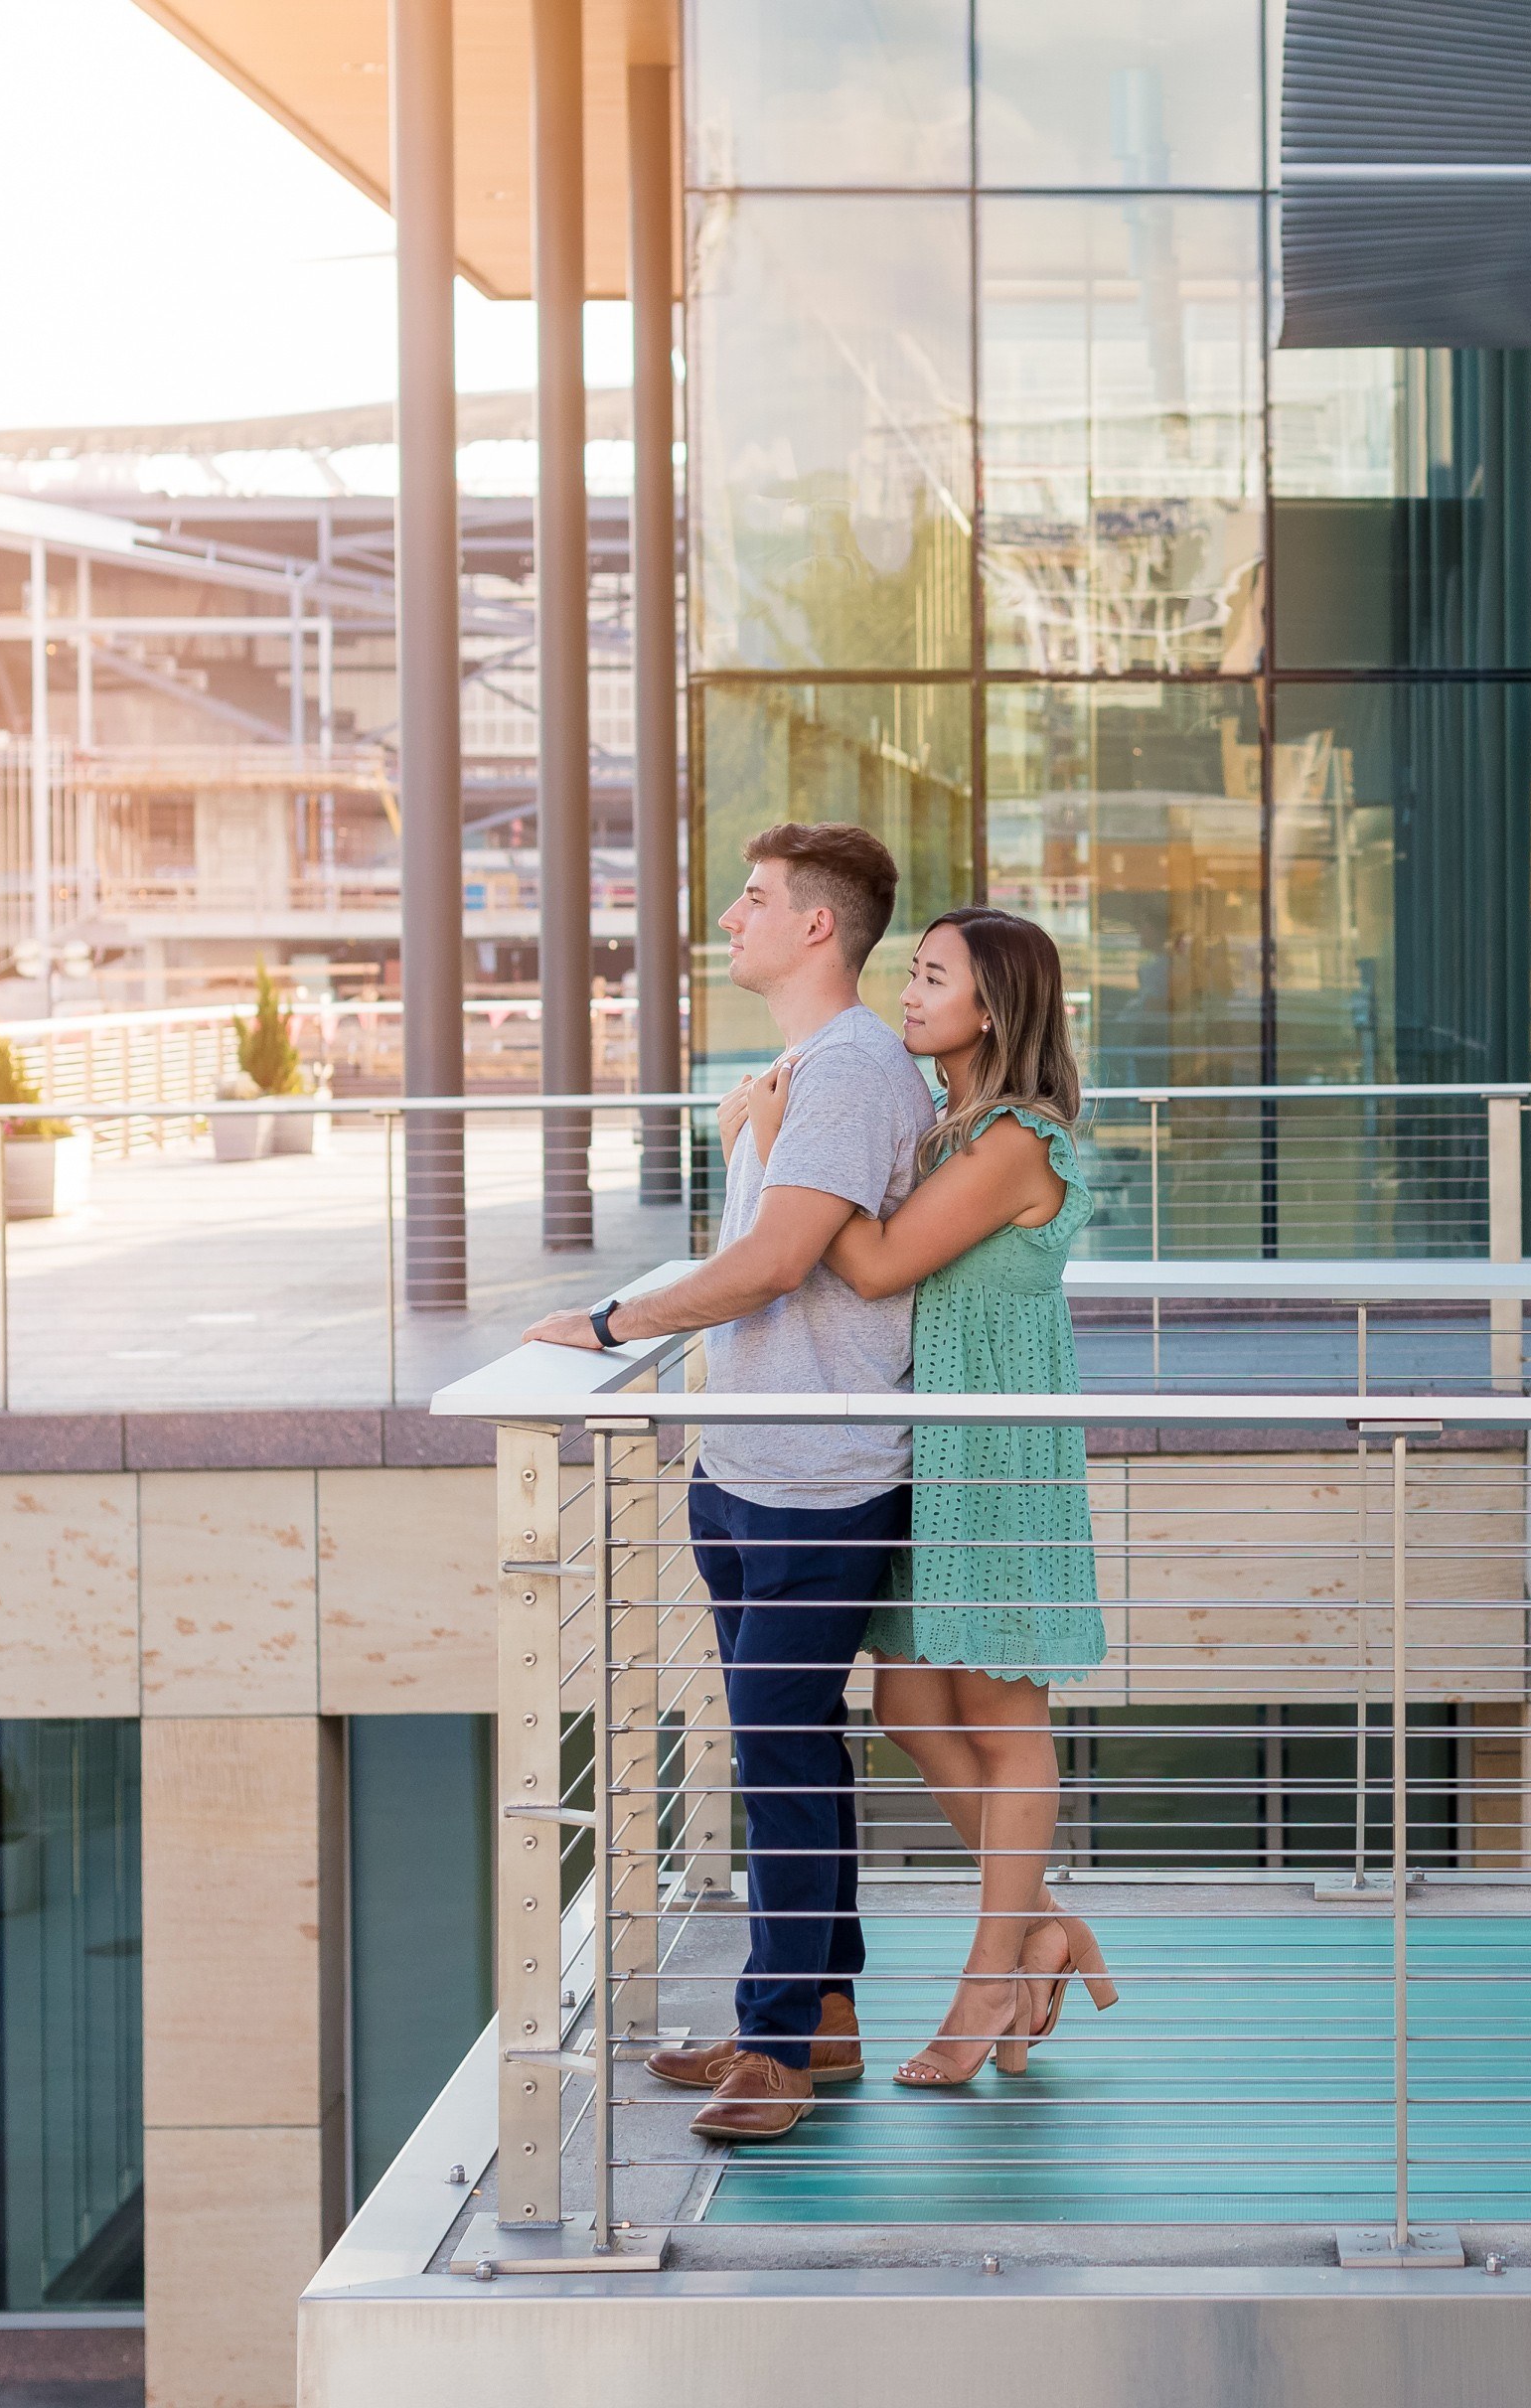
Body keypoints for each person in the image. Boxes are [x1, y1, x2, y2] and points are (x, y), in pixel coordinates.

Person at [525, 821, 929, 2147]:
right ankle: (813, 2019)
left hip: (821, 1475)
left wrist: (608, 1321)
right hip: (746, 1466)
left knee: (783, 1756)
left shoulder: (855, 1071)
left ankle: (779, 2048)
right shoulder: (800, 1071)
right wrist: (731, 1134)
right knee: (779, 1751)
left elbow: (770, 1268)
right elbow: (760, 1250)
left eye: (755, 899)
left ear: (820, 927)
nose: (731, 916)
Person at [737, 906, 1115, 2087]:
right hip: (933, 1451)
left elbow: (875, 1262)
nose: (906, 993)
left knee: (1004, 1717)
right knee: (907, 1704)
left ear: (990, 1007)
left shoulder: (1013, 1138)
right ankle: (1040, 1925)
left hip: (997, 1455)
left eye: (933, 977)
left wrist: (797, 1143)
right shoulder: (952, 1125)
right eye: (910, 973)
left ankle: (987, 1982)